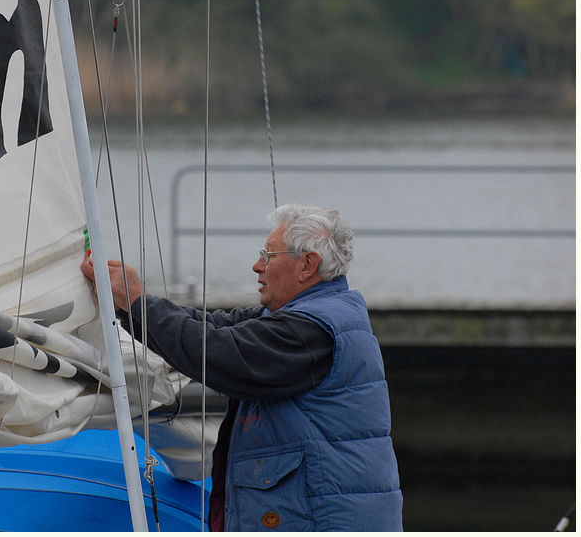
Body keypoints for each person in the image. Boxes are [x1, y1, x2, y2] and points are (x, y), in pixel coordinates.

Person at [81, 203, 403, 531]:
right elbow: (211, 328)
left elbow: (220, 354)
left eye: (268, 255)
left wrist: (138, 304)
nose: (256, 266)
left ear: (307, 264)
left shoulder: (310, 331)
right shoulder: (307, 317)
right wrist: (132, 305)